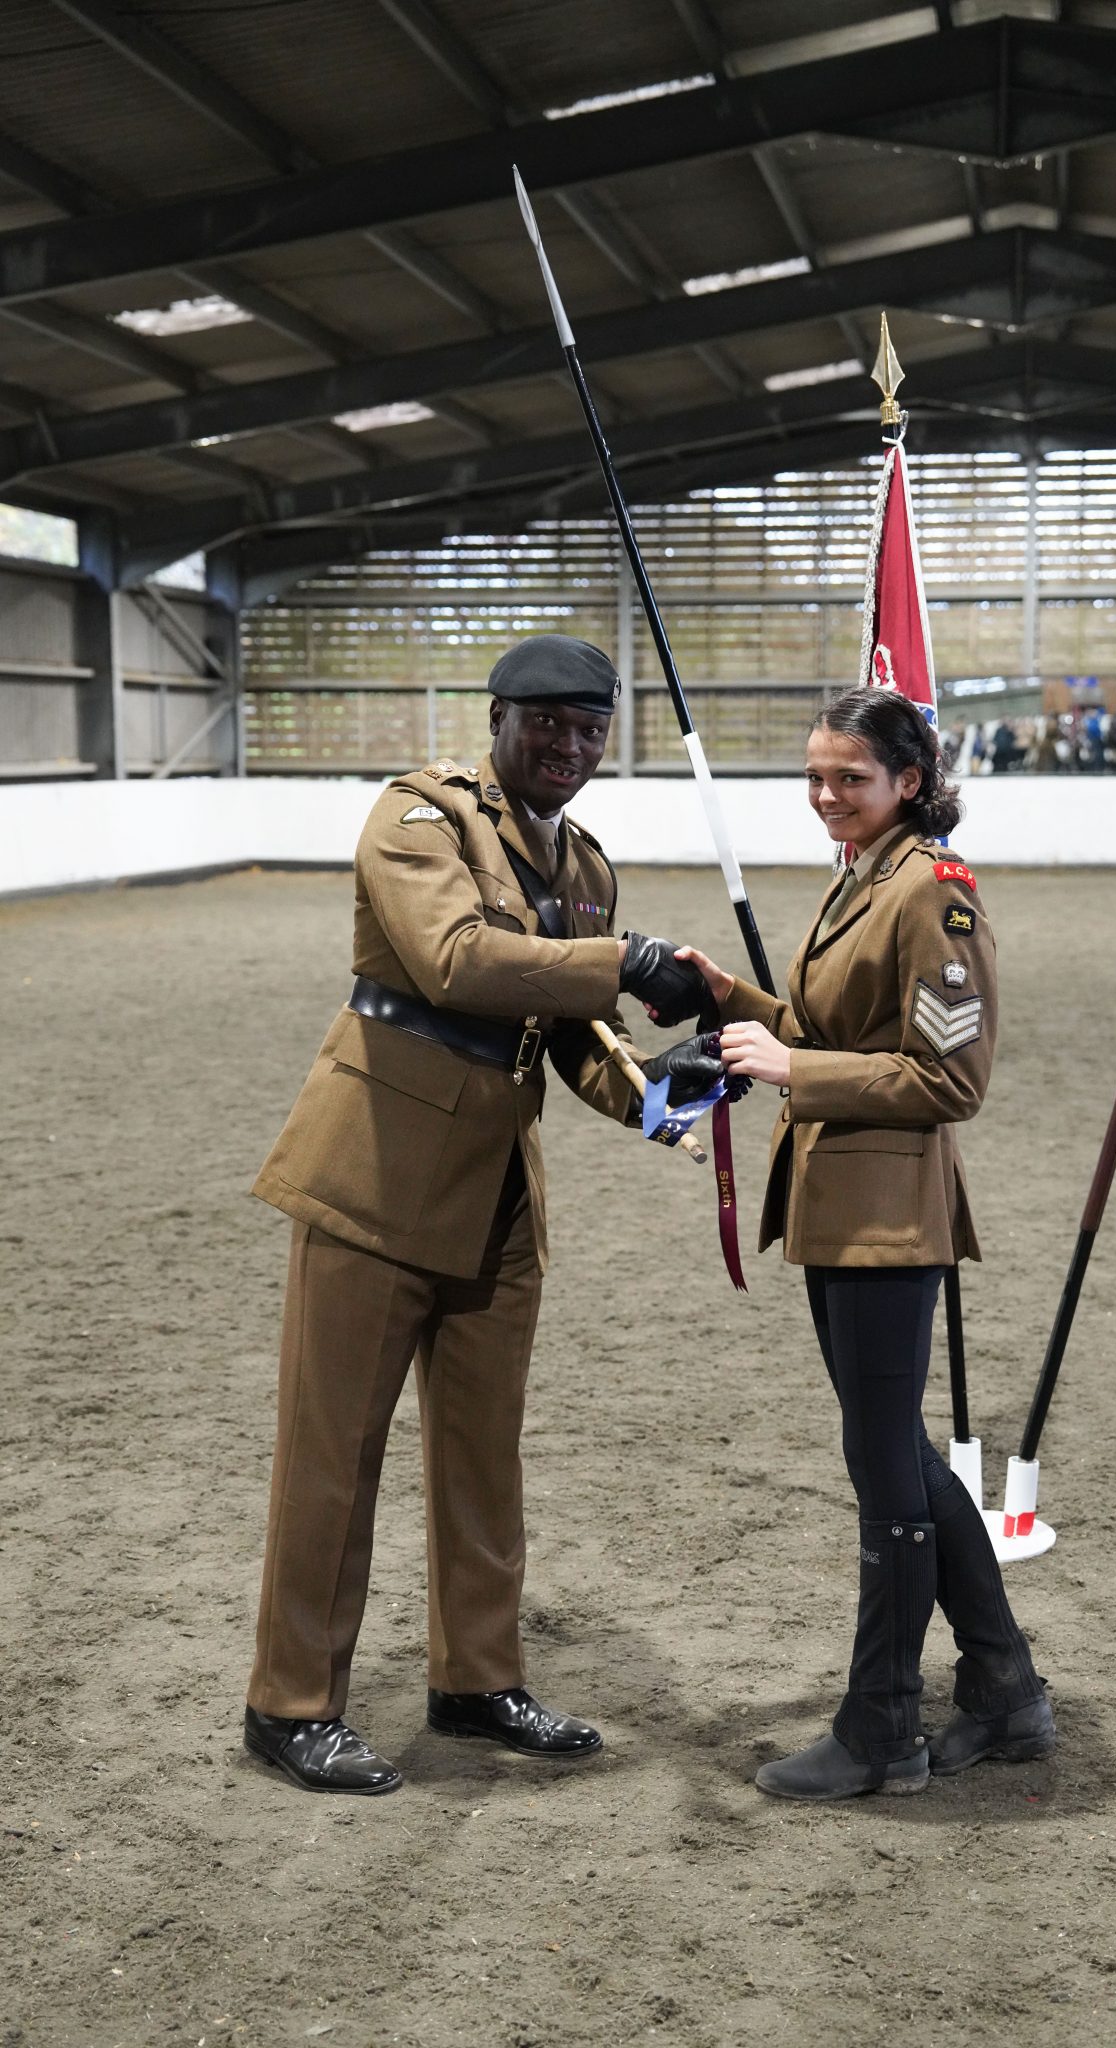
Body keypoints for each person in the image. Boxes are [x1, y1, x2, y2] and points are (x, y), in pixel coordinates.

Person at [243, 633, 711, 1795]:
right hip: (373, 1182)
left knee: (480, 1457)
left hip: (497, 1196)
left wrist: (659, 1092)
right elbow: (456, 964)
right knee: (330, 1460)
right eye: (545, 721)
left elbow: (570, 1033)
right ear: (497, 720)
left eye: (589, 727)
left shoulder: (586, 864)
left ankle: (477, 1678)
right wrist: (623, 959)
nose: (567, 744)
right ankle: (289, 1701)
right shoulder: (420, 818)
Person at [679, 687, 1054, 1803]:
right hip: (841, 1207)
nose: (826, 794)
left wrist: (797, 1070)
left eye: (850, 776)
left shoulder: (934, 894)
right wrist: (727, 997)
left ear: (907, 778)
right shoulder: (864, 876)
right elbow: (828, 1031)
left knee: (883, 1459)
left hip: (893, 1217)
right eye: (815, 774)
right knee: (895, 1452)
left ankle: (884, 1722)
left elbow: (951, 1079)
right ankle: (1002, 1686)